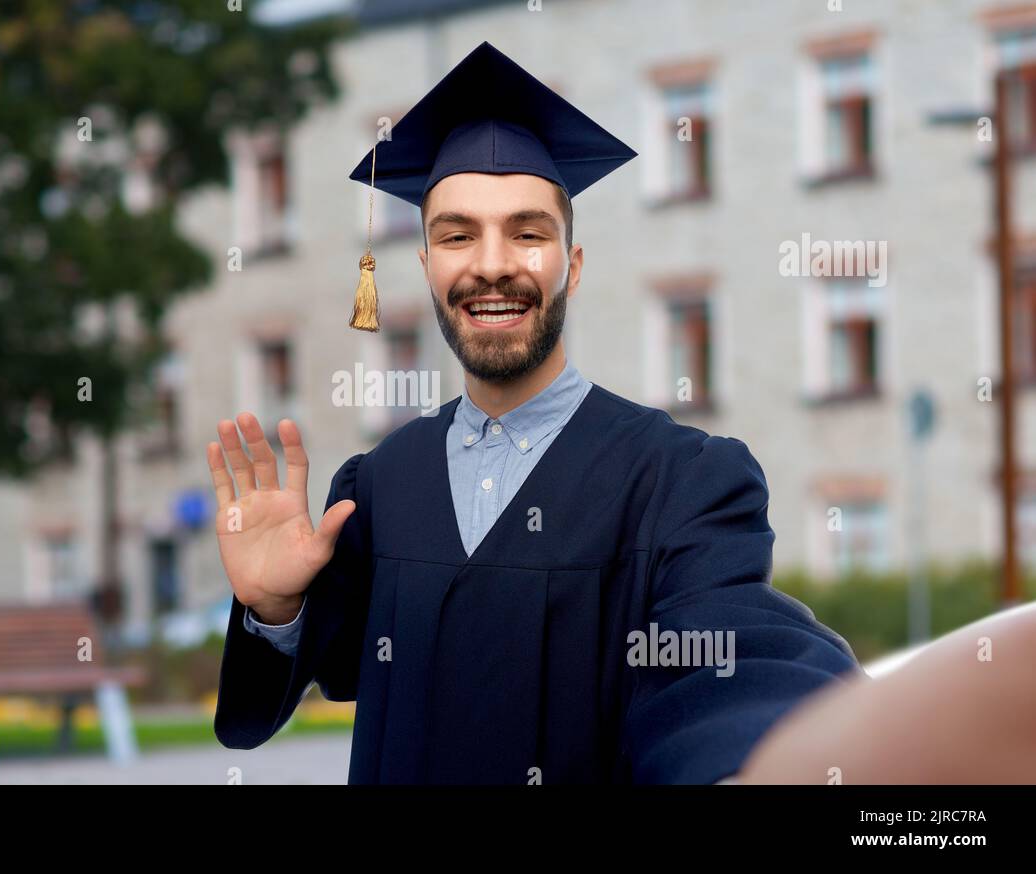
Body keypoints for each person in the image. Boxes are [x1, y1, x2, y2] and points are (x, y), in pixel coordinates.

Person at [207, 41, 862, 784]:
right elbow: (337, 671)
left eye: (527, 232)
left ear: (571, 267)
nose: (490, 264)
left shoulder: (678, 481)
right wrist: (276, 610)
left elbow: (729, 648)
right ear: (426, 264)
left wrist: (771, 752)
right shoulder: (381, 484)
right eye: (456, 235)